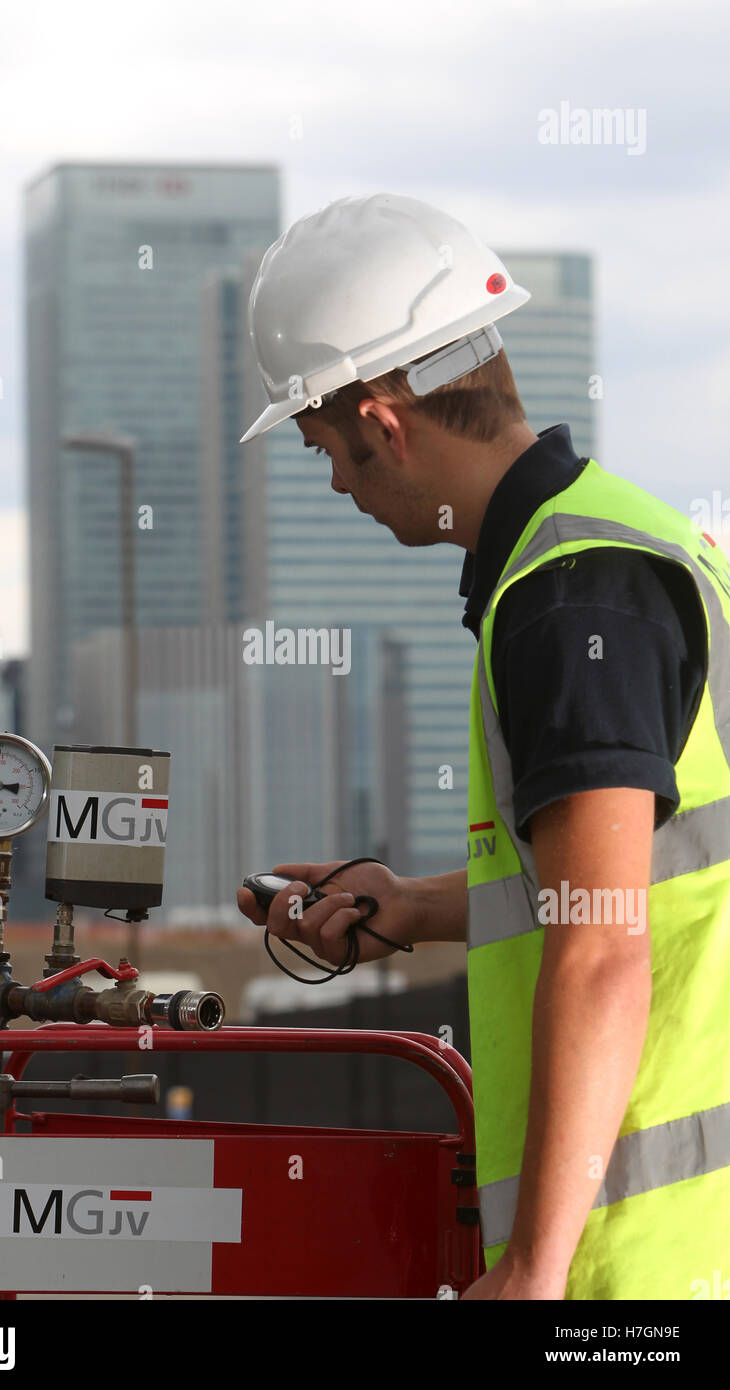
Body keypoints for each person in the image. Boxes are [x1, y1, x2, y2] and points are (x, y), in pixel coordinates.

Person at [235, 193, 730, 1300]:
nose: (337, 484)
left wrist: (535, 1271)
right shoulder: (624, 542)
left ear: (384, 417)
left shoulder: (568, 599)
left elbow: (601, 944)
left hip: (640, 1254)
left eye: (330, 449)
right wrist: (406, 905)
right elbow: (628, 870)